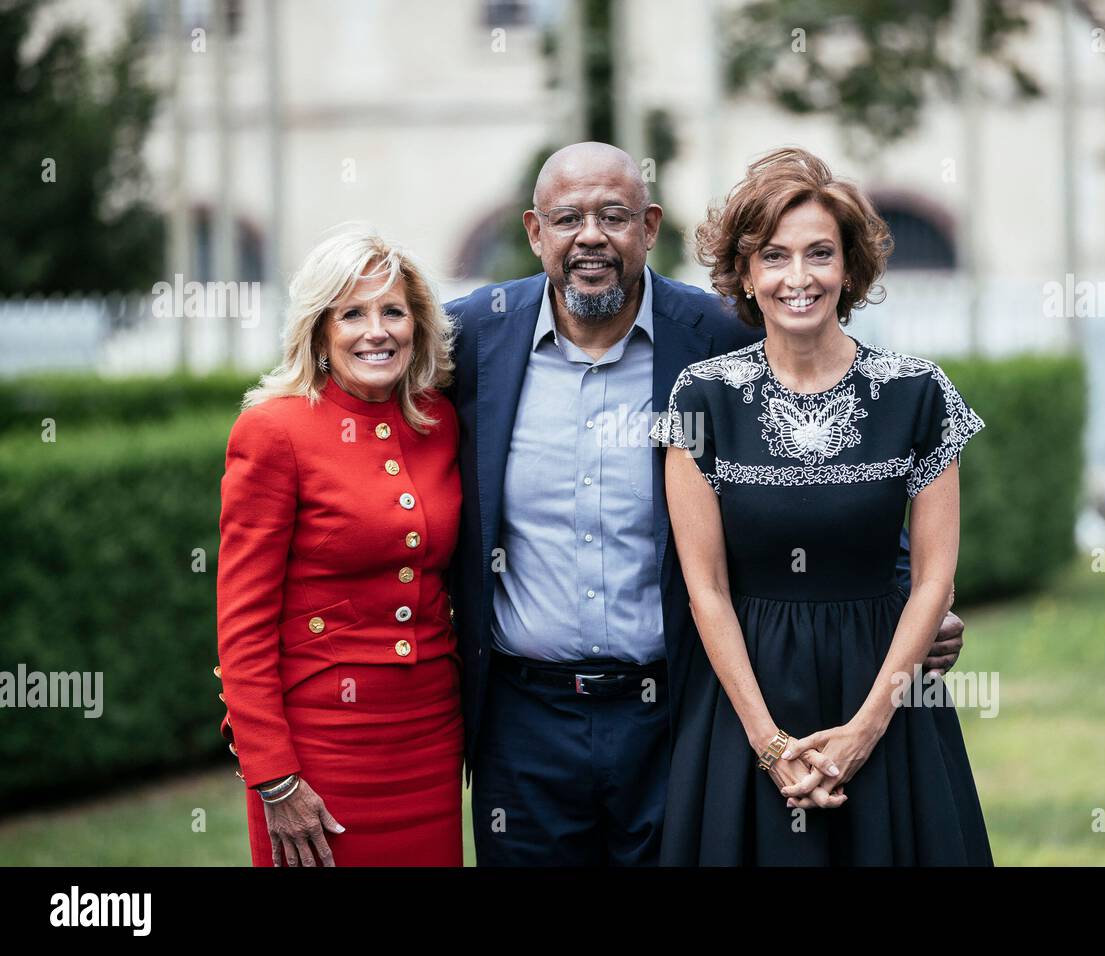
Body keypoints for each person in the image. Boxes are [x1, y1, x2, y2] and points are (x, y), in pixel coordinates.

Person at [443, 142, 969, 866]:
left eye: (614, 215)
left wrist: (909, 598)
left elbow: (830, 472)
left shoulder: (716, 341)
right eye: (568, 218)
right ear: (536, 232)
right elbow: (356, 376)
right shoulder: (471, 336)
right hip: (523, 720)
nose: (591, 235)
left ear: (649, 225)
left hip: (677, 707)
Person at [653, 147, 994, 865]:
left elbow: (935, 581)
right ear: (746, 273)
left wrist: (866, 729)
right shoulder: (700, 396)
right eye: (774, 256)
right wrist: (771, 743)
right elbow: (705, 587)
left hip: (887, 698)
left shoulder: (918, 393)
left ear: (850, 269)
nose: (798, 278)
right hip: (745, 707)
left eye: (819, 254)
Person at [215, 229, 463, 866]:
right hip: (319, 744)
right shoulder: (273, 430)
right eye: (352, 313)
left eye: (393, 312)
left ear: (418, 325)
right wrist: (272, 775)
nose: (375, 331)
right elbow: (241, 622)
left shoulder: (438, 421)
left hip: (429, 734)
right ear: (320, 331)